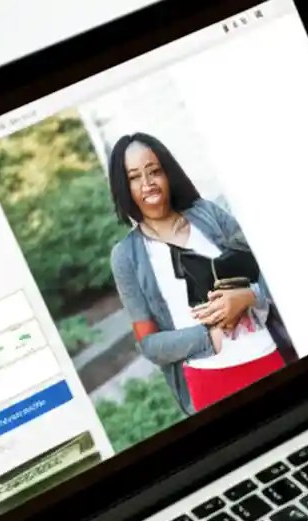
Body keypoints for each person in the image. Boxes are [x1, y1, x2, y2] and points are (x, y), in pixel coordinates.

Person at [108, 132, 296, 414]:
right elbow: (149, 343)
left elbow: (275, 270)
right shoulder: (126, 256)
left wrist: (249, 296)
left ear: (168, 173)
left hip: (267, 354)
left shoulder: (209, 215)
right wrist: (209, 336)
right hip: (210, 380)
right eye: (134, 177)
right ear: (125, 186)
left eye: (154, 171)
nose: (147, 184)